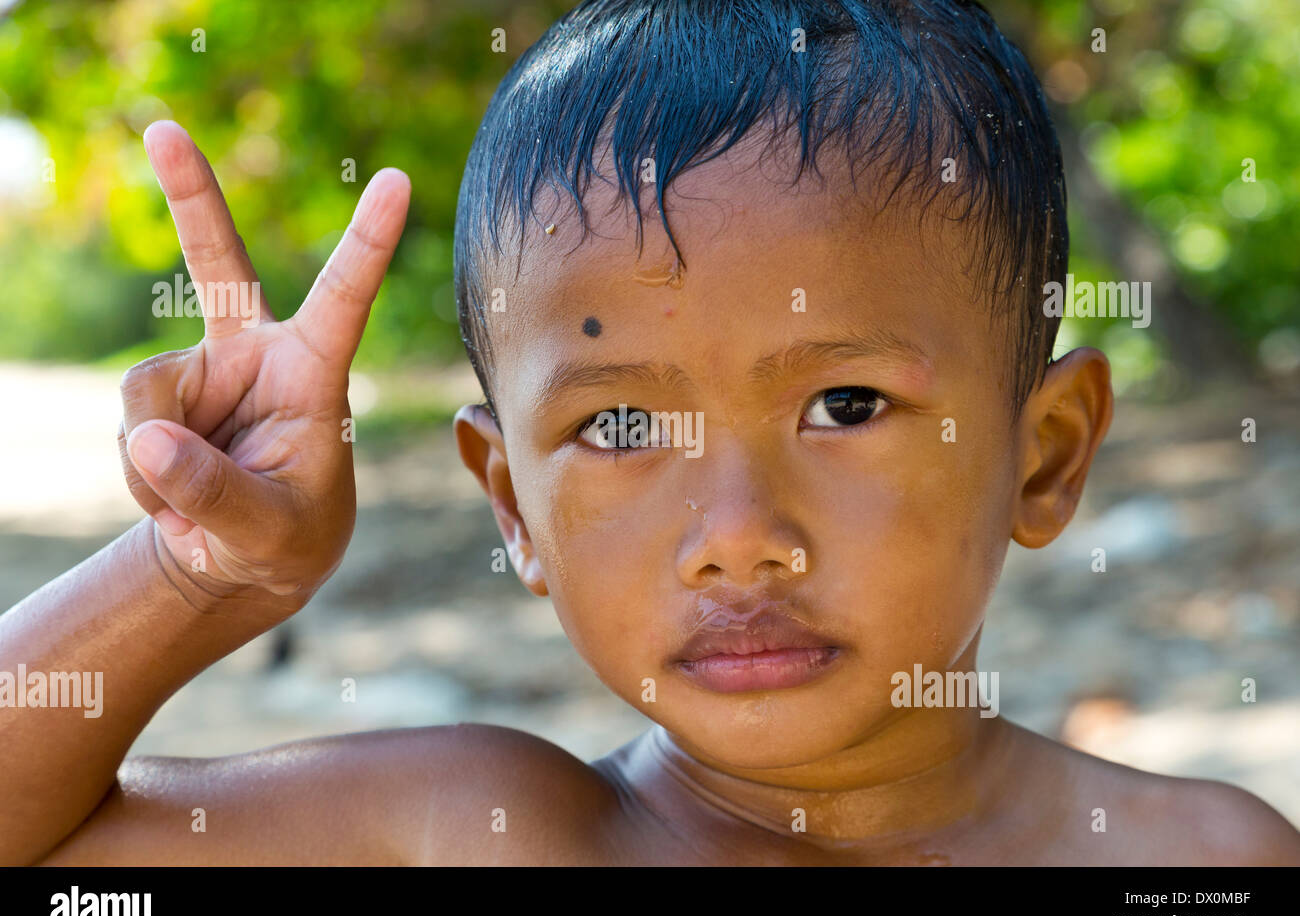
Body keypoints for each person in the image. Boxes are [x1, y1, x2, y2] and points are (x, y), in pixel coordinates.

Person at [3, 0, 1297, 865]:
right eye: (620, 422)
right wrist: (201, 578)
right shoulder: (472, 835)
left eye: (844, 406)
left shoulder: (1194, 862)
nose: (737, 540)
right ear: (511, 503)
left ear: (1050, 453)